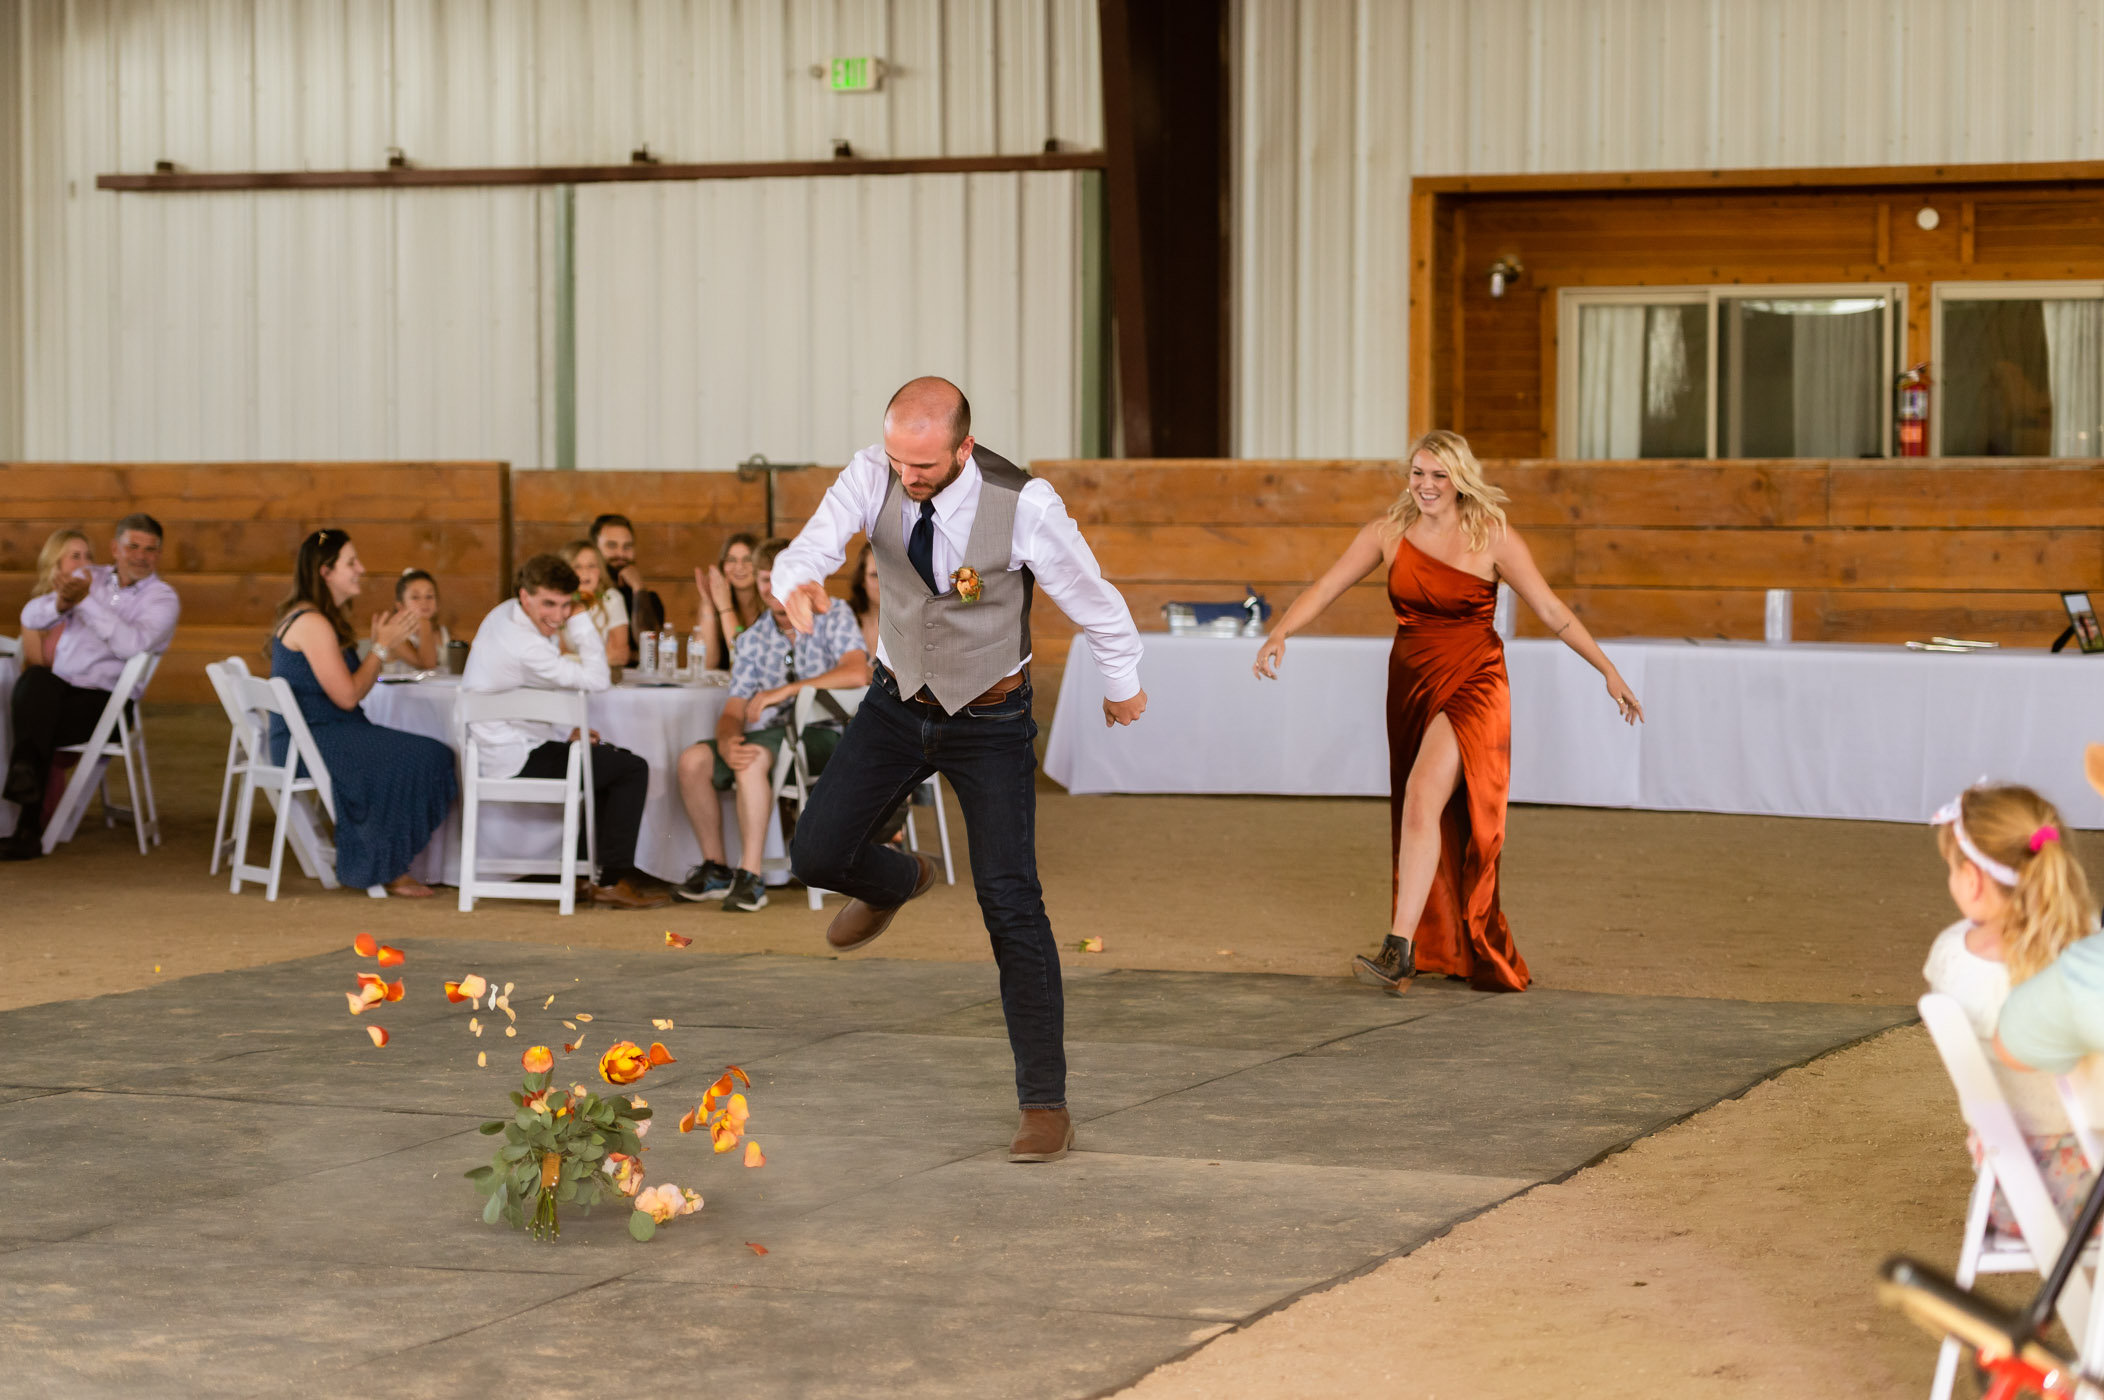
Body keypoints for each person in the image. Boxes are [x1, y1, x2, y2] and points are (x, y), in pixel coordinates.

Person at [771, 376, 1147, 1164]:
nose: (907, 477)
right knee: (815, 854)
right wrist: (794, 581)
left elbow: (1094, 598)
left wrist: (1123, 684)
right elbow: (816, 541)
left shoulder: (1026, 505)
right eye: (898, 461)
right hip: (895, 701)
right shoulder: (871, 473)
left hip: (990, 720)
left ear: (962, 448)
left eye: (924, 466)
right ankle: (898, 879)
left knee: (1012, 904)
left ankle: (1044, 1102)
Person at [1255, 429, 1642, 995]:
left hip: (1476, 681)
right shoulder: (1387, 533)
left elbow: (1553, 610)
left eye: (1439, 475)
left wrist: (1607, 670)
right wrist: (1281, 632)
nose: (1426, 485)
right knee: (1421, 810)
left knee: (1421, 793)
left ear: (1461, 478)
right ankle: (1416, 944)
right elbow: (1328, 585)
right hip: (1412, 681)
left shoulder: (1494, 536)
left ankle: (1398, 947)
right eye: (1418, 473)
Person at [1924, 781, 2104, 1236]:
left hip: (2015, 1188)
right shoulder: (2089, 948)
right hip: (2088, 1188)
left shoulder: (1952, 958)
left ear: (1972, 880)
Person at [461, 552, 671, 910]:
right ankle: (609, 879)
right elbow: (598, 679)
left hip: (500, 745)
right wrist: (580, 618)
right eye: (548, 604)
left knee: (607, 763)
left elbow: (523, 692)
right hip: (512, 756)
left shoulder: (504, 615)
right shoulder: (525, 643)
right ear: (525, 596)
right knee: (630, 769)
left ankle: (586, 876)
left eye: (565, 605)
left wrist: (564, 729)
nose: (557, 615)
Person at [674, 538, 870, 912]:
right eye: (767, 580)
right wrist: (727, 738)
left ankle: (750, 874)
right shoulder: (752, 639)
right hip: (773, 737)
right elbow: (733, 708)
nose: (775, 590)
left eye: (784, 579)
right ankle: (716, 867)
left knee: (754, 757)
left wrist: (785, 691)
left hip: (828, 734)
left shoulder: (834, 614)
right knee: (693, 760)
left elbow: (857, 670)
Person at [266, 529, 456, 896]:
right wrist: (381, 649)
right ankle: (386, 863)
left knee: (421, 752)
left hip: (323, 733)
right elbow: (349, 697)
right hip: (311, 743)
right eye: (351, 562)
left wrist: (382, 649)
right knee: (429, 756)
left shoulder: (319, 618)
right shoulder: (312, 623)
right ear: (326, 572)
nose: (361, 569)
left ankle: (387, 858)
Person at [4, 514, 181, 860]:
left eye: (150, 549)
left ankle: (26, 825)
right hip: (58, 690)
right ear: (115, 548)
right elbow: (30, 618)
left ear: (159, 554)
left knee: (35, 720)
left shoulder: (163, 599)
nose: (141, 556)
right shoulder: (90, 577)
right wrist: (60, 602)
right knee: (36, 681)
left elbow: (130, 645)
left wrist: (83, 602)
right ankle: (26, 816)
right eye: (133, 546)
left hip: (107, 704)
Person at [20, 529, 92, 670]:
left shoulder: (99, 607)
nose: (85, 564)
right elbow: (35, 669)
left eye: (88, 556)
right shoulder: (36, 612)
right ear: (55, 562)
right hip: (49, 687)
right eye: (75, 556)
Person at [692, 533, 763, 672]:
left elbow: (744, 661)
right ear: (722, 566)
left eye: (748, 559)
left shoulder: (770, 605)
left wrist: (725, 608)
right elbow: (705, 664)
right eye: (731, 560)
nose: (739, 566)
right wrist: (708, 603)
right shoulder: (716, 604)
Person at [590, 513, 665, 640]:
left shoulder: (647, 600)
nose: (621, 554)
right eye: (612, 545)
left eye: (627, 546)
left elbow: (649, 647)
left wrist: (638, 587)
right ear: (594, 549)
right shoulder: (581, 593)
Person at [561, 539, 632, 668]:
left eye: (591, 566)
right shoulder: (558, 602)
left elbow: (620, 655)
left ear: (600, 570)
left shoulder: (611, 598)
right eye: (577, 567)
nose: (585, 572)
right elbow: (559, 655)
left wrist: (576, 660)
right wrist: (599, 659)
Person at [392, 569, 449, 672]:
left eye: (429, 596)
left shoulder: (445, 633)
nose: (424, 602)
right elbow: (428, 664)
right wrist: (424, 623)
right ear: (400, 606)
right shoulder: (394, 636)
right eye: (415, 597)